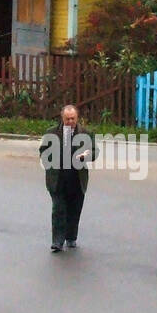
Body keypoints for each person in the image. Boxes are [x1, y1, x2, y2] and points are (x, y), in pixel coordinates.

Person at [39, 104, 97, 252]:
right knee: (58, 210)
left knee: (74, 209)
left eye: (73, 119)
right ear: (62, 118)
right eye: (67, 119)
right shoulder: (51, 133)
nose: (70, 121)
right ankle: (57, 241)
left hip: (77, 179)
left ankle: (71, 238)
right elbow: (43, 152)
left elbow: (95, 152)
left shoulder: (86, 134)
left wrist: (86, 155)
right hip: (57, 179)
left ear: (77, 118)